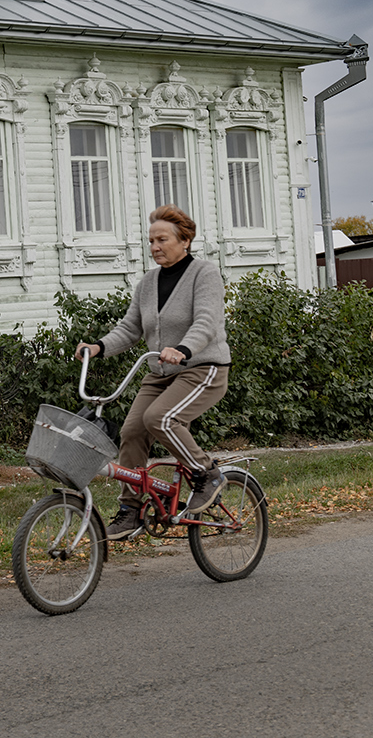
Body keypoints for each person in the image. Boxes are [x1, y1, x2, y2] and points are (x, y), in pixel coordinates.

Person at [74, 204, 231, 540]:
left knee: (159, 419)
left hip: (202, 368)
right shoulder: (148, 282)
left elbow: (206, 321)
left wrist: (185, 349)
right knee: (132, 431)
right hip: (160, 373)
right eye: (151, 241)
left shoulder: (205, 274)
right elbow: (130, 327)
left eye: (163, 239)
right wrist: (98, 346)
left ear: (185, 240)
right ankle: (130, 509)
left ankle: (207, 474)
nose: (155, 247)